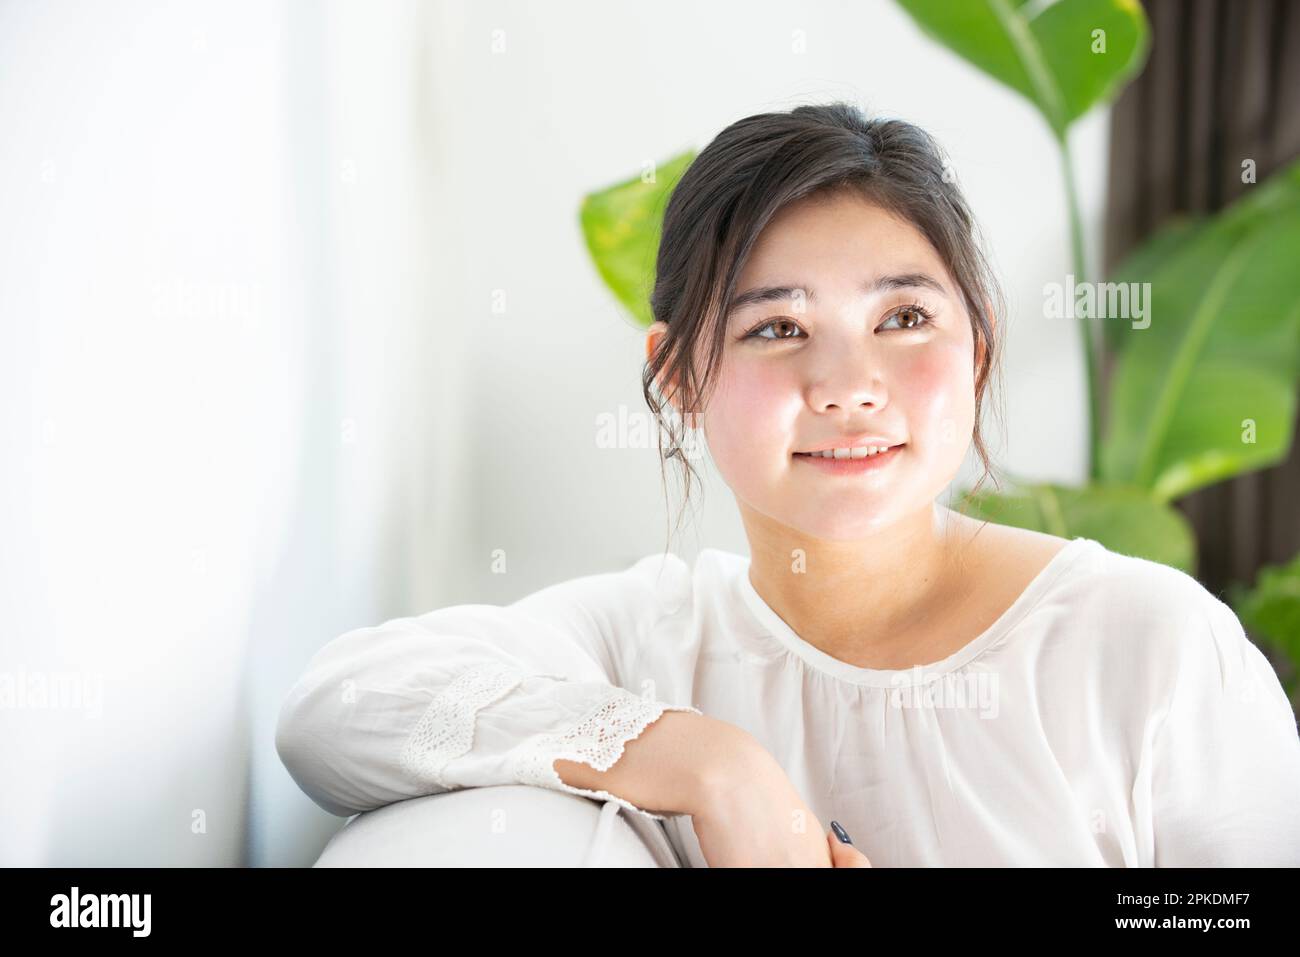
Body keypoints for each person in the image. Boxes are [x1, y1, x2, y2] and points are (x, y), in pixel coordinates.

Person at [275, 102, 1300, 867]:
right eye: (777, 328)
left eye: (903, 319)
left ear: (978, 350)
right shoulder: (642, 643)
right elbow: (336, 710)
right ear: (678, 375)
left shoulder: (1147, 644)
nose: (848, 386)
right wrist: (715, 769)